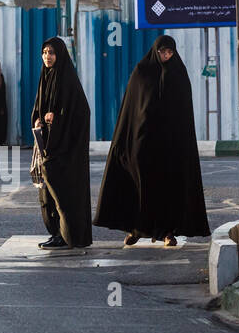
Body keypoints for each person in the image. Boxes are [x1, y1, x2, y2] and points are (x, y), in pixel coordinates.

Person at [95, 35, 210, 247]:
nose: (166, 56)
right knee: (141, 185)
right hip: (143, 141)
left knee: (169, 187)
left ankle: (168, 232)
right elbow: (130, 110)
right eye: (162, 52)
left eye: (169, 52)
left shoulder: (178, 73)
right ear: (155, 51)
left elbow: (184, 113)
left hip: (170, 145)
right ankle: (138, 229)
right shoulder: (141, 72)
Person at [31, 36, 92, 249]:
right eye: (45, 52)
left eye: (52, 53)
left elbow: (82, 112)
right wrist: (38, 118)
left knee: (63, 192)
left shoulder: (68, 80)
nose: (48, 57)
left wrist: (57, 118)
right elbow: (40, 106)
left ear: (60, 55)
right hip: (48, 144)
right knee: (47, 193)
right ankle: (56, 232)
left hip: (65, 148)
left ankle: (69, 235)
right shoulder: (45, 77)